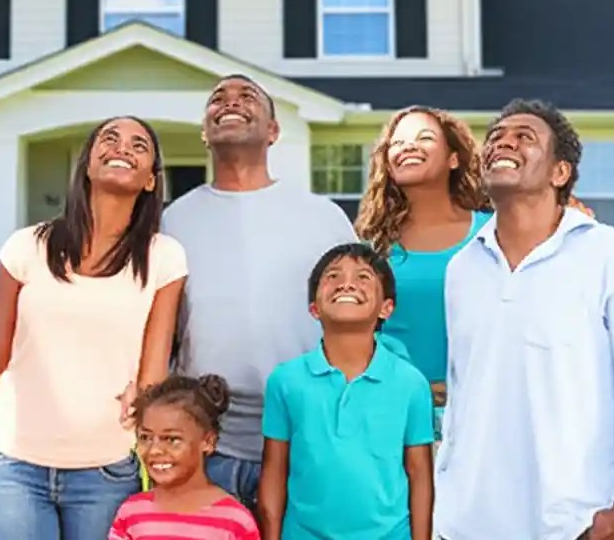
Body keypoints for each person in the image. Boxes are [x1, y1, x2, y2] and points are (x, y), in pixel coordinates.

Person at [434, 99, 614, 540]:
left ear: (559, 173)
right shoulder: (462, 268)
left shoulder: (613, 256)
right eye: (495, 138)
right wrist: (442, 504)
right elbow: (462, 395)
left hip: (573, 522)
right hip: (466, 522)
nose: (503, 143)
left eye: (524, 137)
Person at [0, 116, 189, 540]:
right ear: (87, 165)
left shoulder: (164, 258)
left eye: (139, 145)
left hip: (106, 474)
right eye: (109, 139)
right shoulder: (26, 247)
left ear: (151, 180)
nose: (122, 147)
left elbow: (154, 373)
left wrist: (151, 430)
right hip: (13, 471)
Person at [162, 74, 359, 512]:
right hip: (207, 448)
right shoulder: (174, 221)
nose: (230, 102)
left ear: (273, 131)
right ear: (204, 132)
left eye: (247, 96)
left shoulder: (322, 218)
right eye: (218, 98)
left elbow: (360, 327)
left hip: (307, 445)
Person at [259, 242, 435, 540]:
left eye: (363, 277)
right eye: (333, 277)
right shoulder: (285, 381)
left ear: (386, 308)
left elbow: (420, 475)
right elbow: (274, 472)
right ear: (314, 308)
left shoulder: (411, 383)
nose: (347, 284)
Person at [354, 106, 492, 413]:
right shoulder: (371, 247)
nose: (409, 146)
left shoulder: (495, 233)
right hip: (394, 415)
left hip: (483, 414)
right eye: (398, 142)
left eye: (424, 137)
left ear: (453, 159)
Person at [109, 374, 261, 540]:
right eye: (145, 437)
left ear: (208, 441)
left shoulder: (235, 520)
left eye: (172, 439)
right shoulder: (131, 513)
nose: (154, 451)